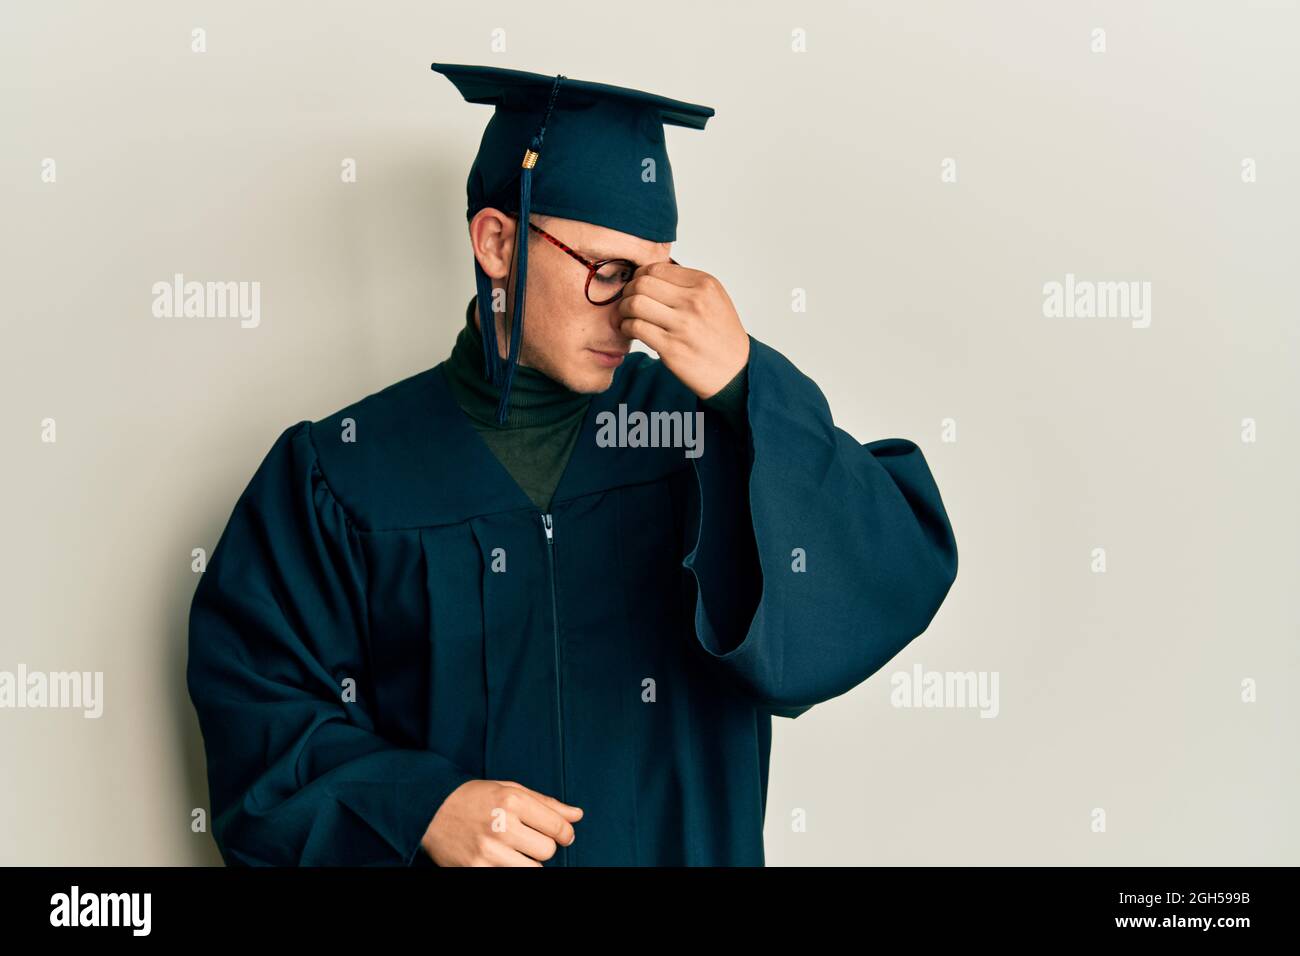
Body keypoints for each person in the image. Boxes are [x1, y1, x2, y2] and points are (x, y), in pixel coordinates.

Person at [185, 63, 959, 867]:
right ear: (496, 243)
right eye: (609, 273)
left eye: (657, 275)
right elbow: (259, 720)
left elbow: (883, 581)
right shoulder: (344, 472)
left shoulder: (704, 433)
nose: (634, 315)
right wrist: (420, 805)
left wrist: (748, 388)